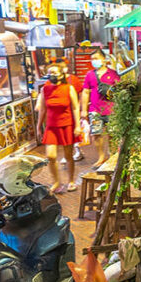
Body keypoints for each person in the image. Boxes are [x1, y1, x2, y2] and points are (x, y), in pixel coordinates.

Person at [37, 64, 81, 192]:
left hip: (66, 125)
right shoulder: (45, 90)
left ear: (62, 74)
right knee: (50, 156)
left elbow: (75, 107)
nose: (52, 75)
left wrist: (77, 125)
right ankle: (56, 182)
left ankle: (71, 181)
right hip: (51, 126)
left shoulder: (69, 88)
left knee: (68, 155)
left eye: (55, 72)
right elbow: (43, 109)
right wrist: (39, 126)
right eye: (50, 72)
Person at [81, 49, 121, 168]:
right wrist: (83, 110)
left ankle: (113, 156)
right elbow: (85, 92)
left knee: (113, 134)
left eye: (96, 58)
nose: (94, 61)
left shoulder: (113, 74)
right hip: (95, 110)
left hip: (111, 109)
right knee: (96, 134)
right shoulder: (90, 75)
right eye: (92, 59)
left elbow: (119, 90)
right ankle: (101, 157)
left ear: (104, 59)